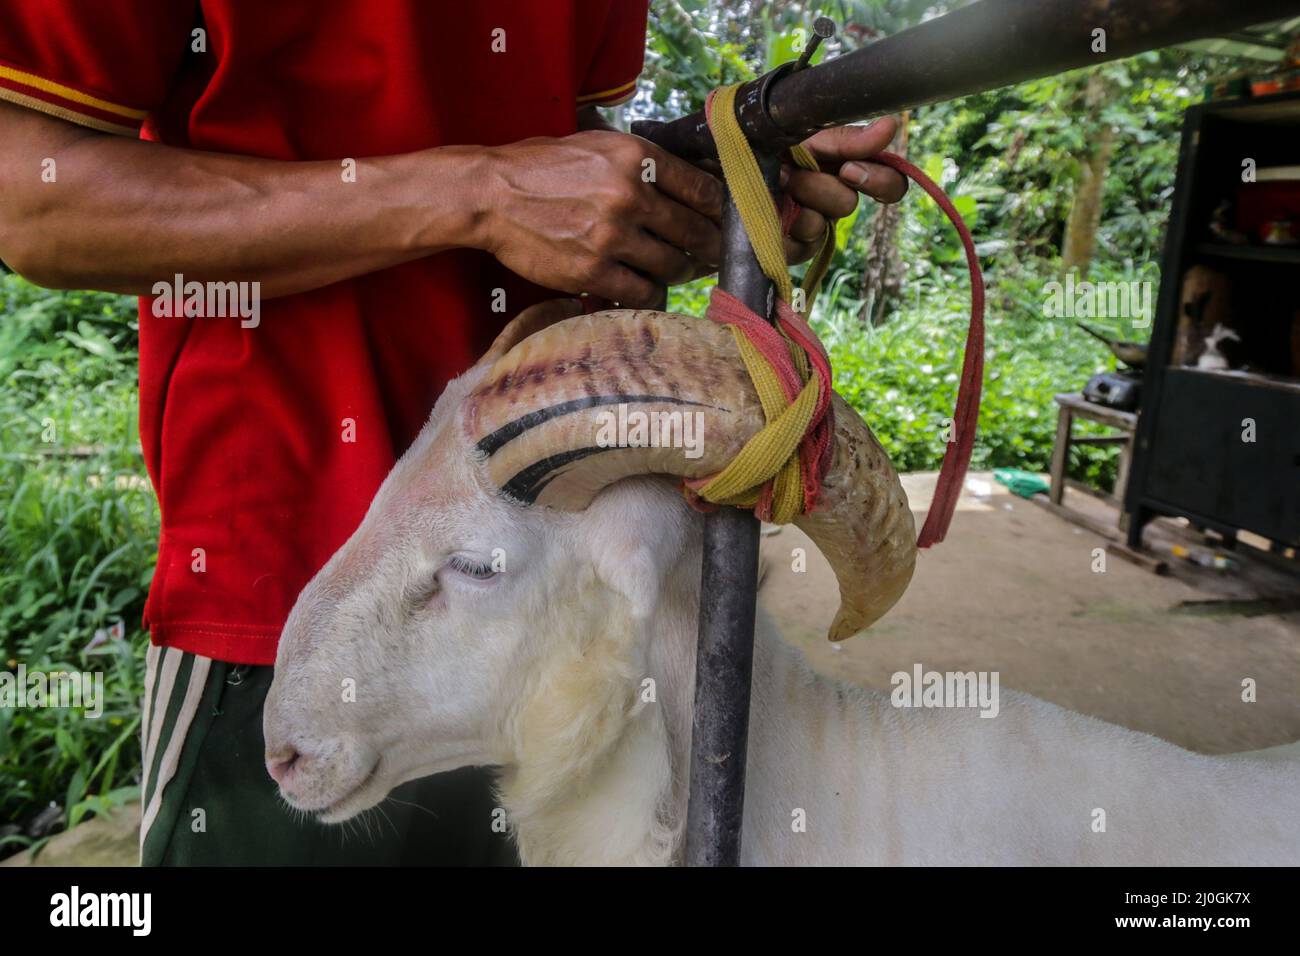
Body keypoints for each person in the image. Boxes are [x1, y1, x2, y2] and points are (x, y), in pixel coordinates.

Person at [0, 0, 906, 865]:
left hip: (553, 611)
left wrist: (709, 185)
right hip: (294, 573)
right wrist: (478, 194)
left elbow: (561, 137)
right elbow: (29, 197)